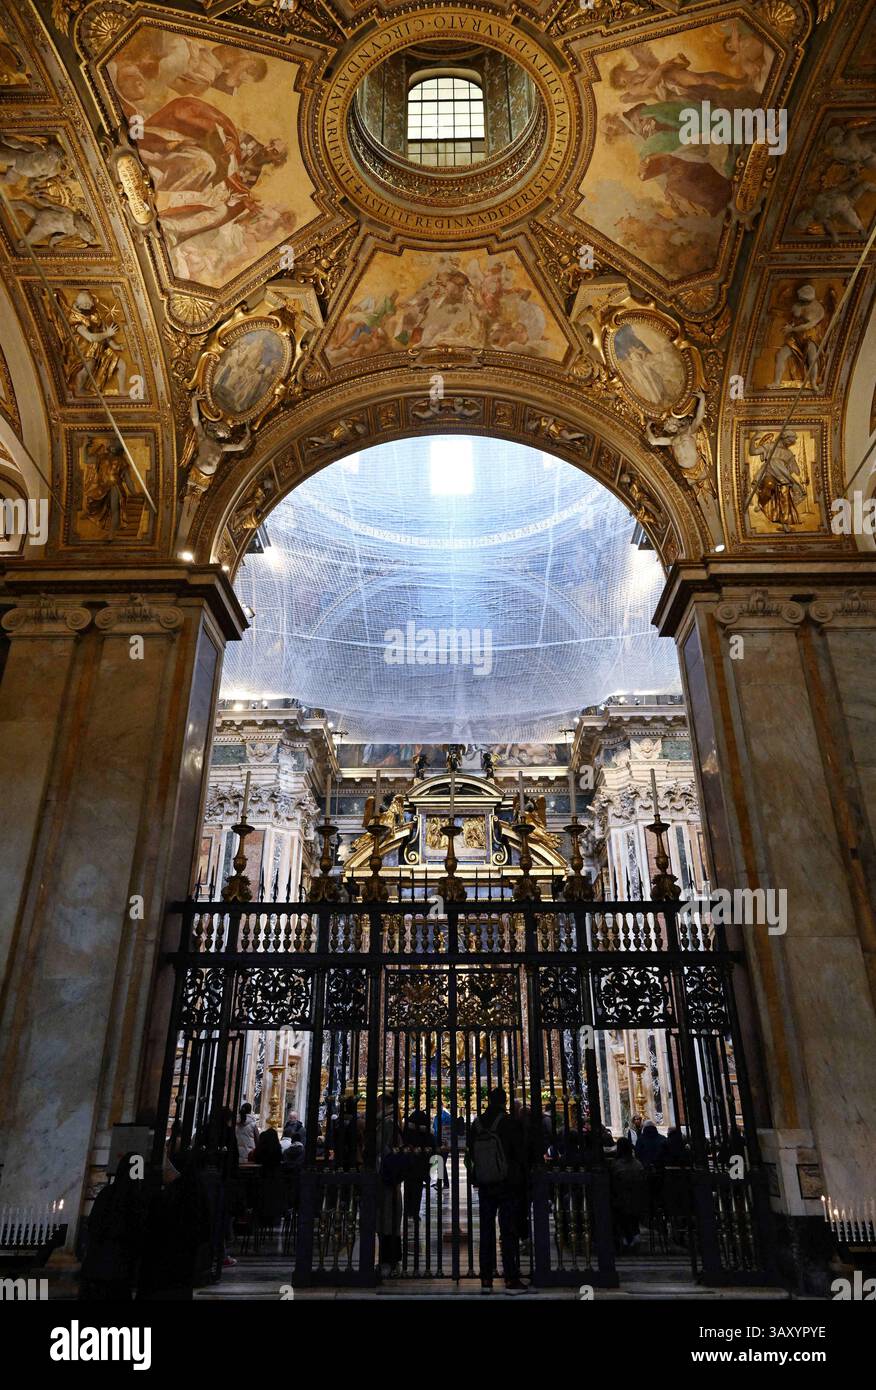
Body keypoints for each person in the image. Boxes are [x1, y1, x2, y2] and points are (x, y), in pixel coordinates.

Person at [469, 1087, 530, 1294]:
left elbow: (470, 1154)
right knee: (508, 1230)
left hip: (485, 1183)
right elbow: (520, 1152)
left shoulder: (476, 1124)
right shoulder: (509, 1123)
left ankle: (486, 1276)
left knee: (486, 1230)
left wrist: (477, 1174)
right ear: (504, 1102)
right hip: (507, 1183)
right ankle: (511, 1276)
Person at [79, 1153, 147, 1300]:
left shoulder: (106, 1193)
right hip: (118, 1271)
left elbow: (92, 1225)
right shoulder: (135, 1200)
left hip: (95, 1267)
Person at [376, 1092, 404, 1276]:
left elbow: (379, 1146)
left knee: (386, 1216)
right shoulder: (394, 1119)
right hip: (391, 1175)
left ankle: (388, 1259)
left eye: (378, 1103)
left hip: (385, 1173)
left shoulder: (387, 1121)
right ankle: (392, 1258)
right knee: (391, 1216)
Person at [610, 1138, 648, 1251]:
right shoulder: (638, 1164)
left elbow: (612, 1184)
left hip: (621, 1202)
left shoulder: (616, 1165)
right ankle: (634, 1235)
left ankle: (623, 1236)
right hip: (639, 1201)